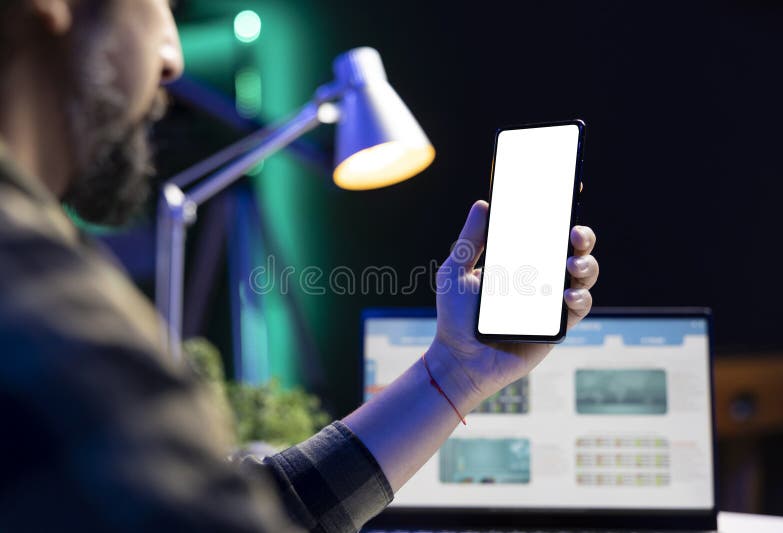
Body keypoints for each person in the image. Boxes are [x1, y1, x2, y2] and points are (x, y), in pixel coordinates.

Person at [0, 1, 599, 531]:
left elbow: (269, 506)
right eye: (161, 3)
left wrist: (456, 372)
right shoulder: (38, 301)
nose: (174, 55)